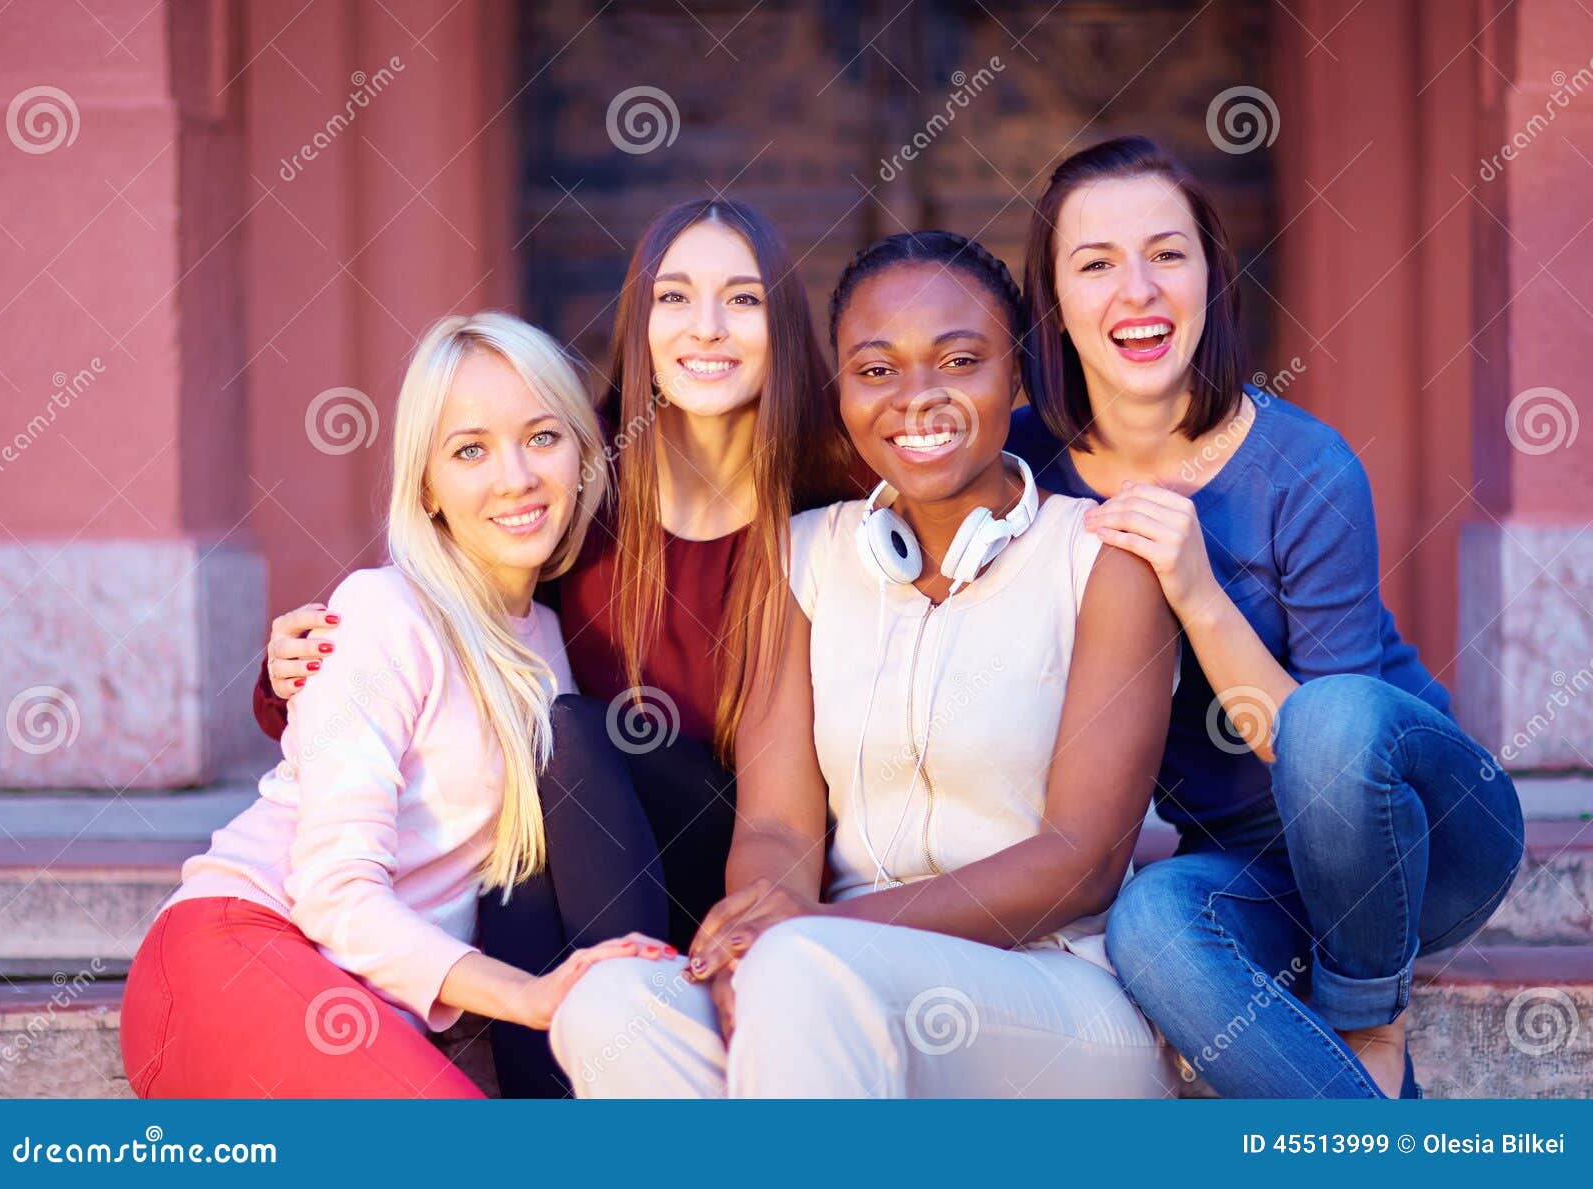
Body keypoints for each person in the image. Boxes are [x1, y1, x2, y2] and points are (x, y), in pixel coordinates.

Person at [547, 232, 1180, 1098]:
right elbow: (775, 825)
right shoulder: (802, 555)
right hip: (819, 982)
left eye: (959, 360)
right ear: (838, 389)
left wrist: (817, 932)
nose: (917, 398)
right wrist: (756, 928)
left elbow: (1082, 858)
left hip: (1055, 996)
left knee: (804, 975)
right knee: (612, 1007)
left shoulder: (1102, 558)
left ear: (1020, 374)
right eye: (876, 370)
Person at [247, 199, 857, 1096]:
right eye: (676, 298)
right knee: (521, 839)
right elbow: (442, 593)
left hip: (765, 851)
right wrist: (287, 676)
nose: (707, 329)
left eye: (743, 299)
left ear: (784, 324)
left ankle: (636, 1033)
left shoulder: (831, 495)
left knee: (565, 734)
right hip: (592, 856)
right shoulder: (582, 470)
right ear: (641, 323)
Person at [1009, 135, 1524, 1098]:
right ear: (1055, 303)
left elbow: (1325, 759)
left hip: (1416, 842)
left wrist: (1197, 590)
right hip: (1254, 872)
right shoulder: (1024, 472)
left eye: (1168, 253)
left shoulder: (1307, 467)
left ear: (1211, 273)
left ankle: (1370, 1009)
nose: (1139, 290)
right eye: (1095, 264)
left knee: (1330, 718)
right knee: (1152, 925)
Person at [119, 313, 668, 1098]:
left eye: (543, 437)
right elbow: (335, 893)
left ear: (583, 453)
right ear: (427, 487)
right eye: (470, 450)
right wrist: (526, 995)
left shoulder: (553, 638)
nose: (515, 477)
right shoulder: (383, 612)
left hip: (369, 1008)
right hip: (236, 949)